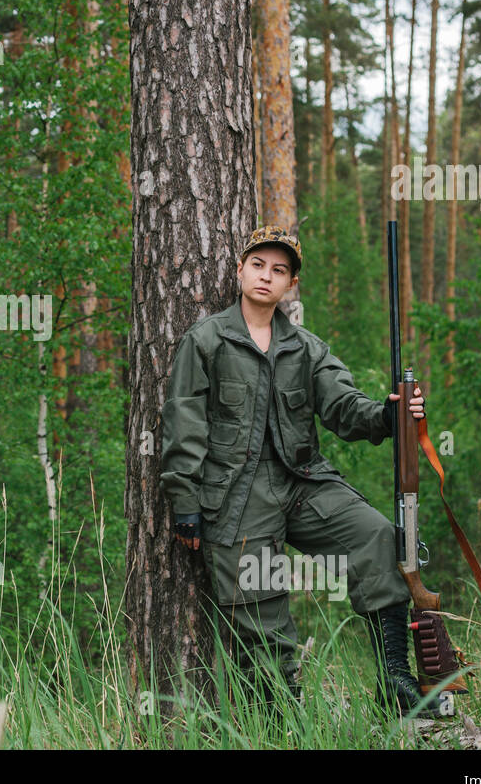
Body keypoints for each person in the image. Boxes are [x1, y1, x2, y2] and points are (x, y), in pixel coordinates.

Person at [159, 225, 435, 718]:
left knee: (375, 536)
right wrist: (185, 503)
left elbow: (344, 406)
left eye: (279, 271)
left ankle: (395, 679)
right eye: (259, 265)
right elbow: (184, 427)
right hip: (234, 498)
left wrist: (386, 414)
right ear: (240, 270)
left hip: (302, 482)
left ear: (291, 285)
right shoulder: (205, 341)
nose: (267, 276)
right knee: (264, 619)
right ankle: (279, 723)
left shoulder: (307, 347)